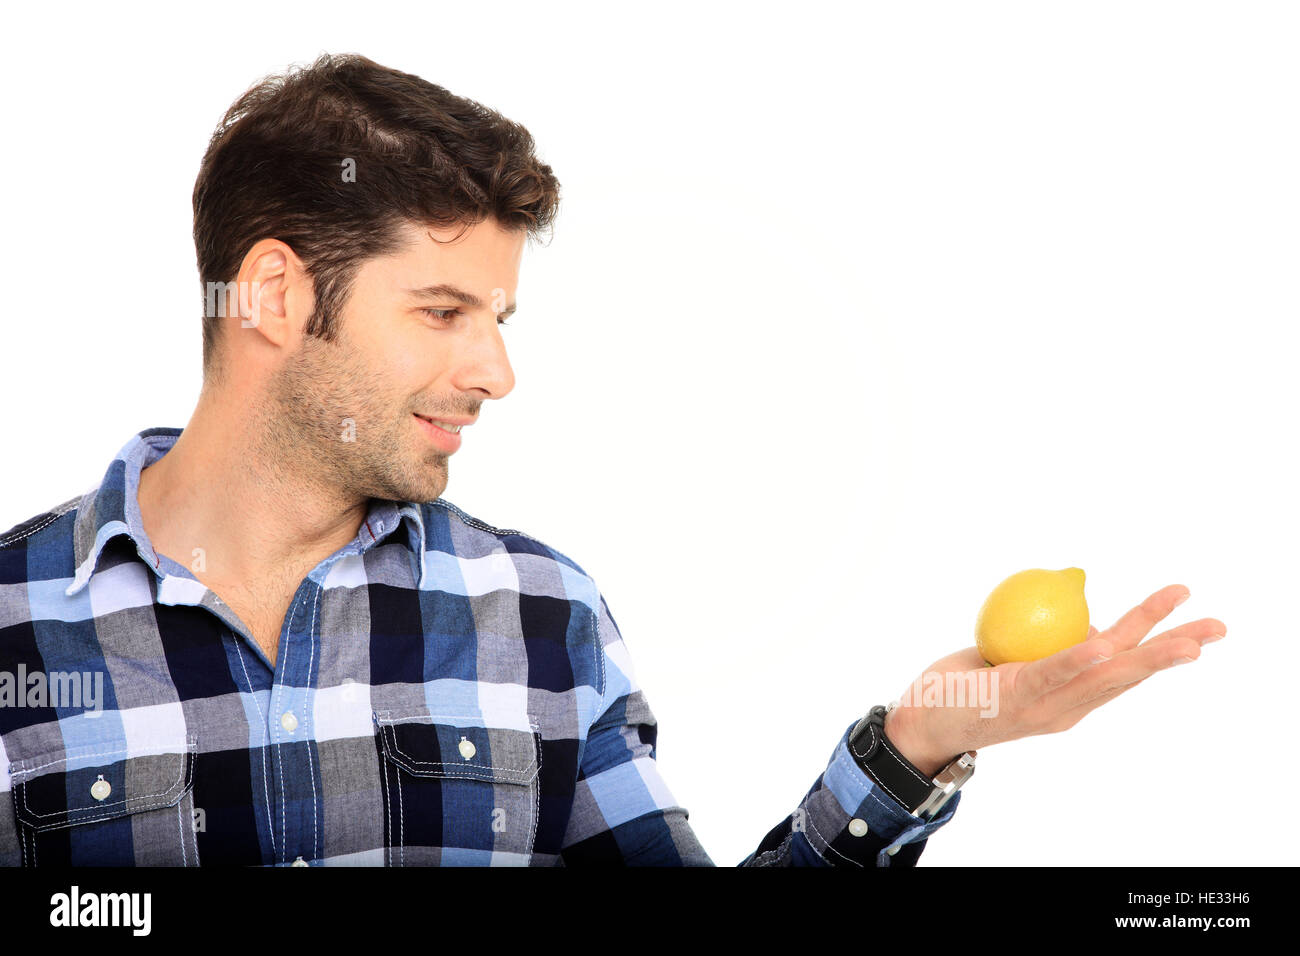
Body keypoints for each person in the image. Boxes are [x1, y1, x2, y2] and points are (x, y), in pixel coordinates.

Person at [0, 54, 1226, 867]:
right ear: (271, 292)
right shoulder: (12, 625)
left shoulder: (539, 615)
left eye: (500, 319)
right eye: (441, 312)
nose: (496, 372)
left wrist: (912, 743)